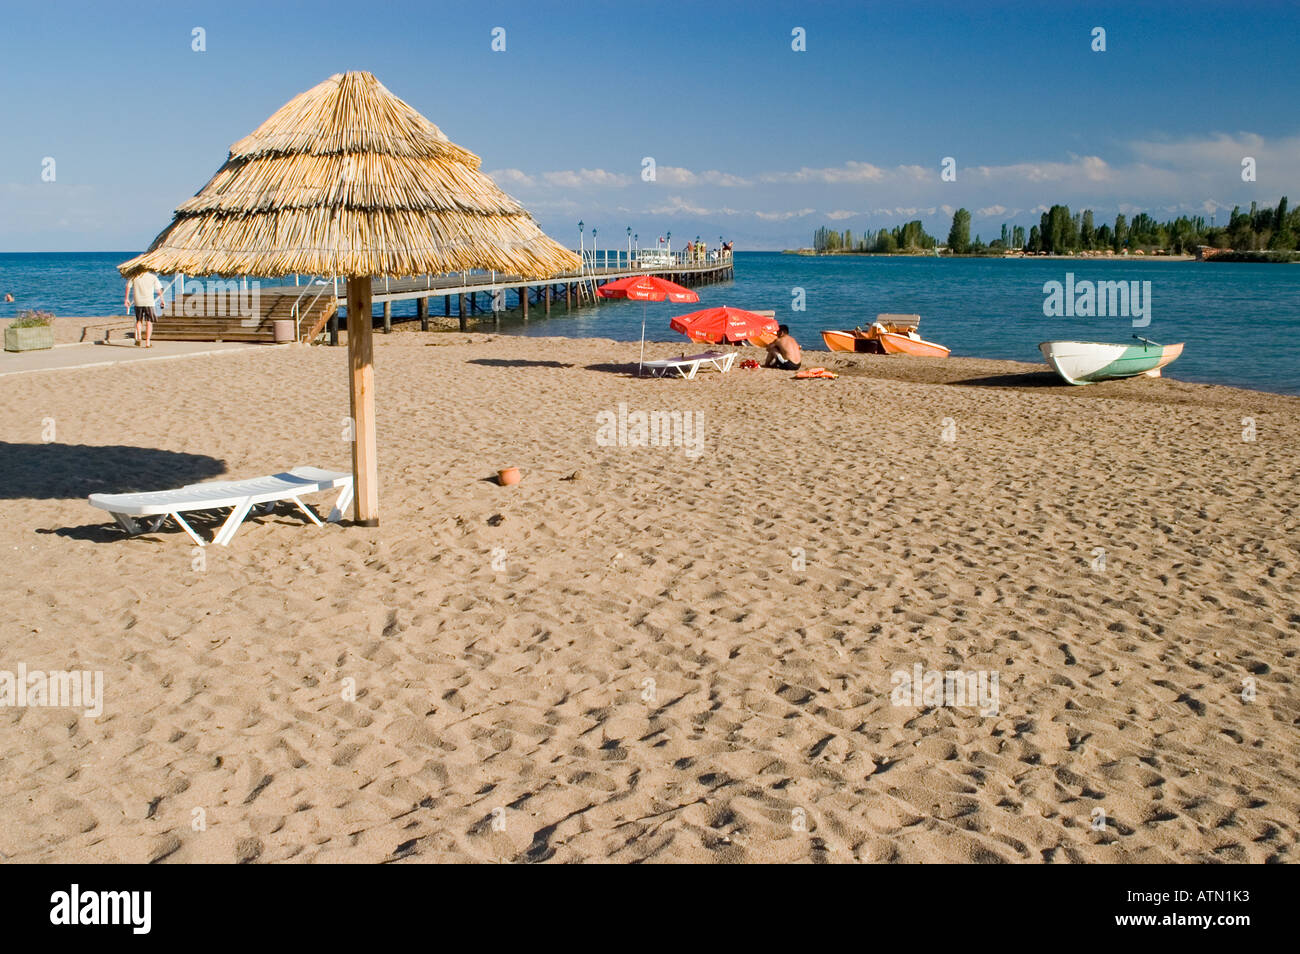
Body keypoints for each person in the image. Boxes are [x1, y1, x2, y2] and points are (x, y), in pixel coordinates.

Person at [125, 270, 164, 347]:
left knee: (139, 321)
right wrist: (162, 300)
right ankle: (147, 342)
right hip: (149, 302)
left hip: (138, 301)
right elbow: (159, 290)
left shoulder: (134, 276)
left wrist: (126, 298)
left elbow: (128, 286)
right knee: (149, 322)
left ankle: (139, 337)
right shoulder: (153, 277)